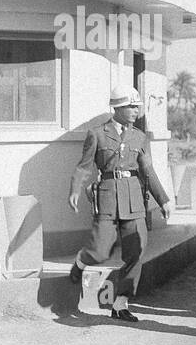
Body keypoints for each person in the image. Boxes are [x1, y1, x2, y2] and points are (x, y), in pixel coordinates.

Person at [68, 85, 172, 320]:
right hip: (106, 198)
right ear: (117, 108)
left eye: (137, 107)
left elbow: (148, 171)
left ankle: (121, 303)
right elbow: (84, 166)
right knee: (100, 251)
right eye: (131, 106)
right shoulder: (97, 134)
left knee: (136, 250)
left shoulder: (140, 137)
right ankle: (81, 262)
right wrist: (75, 190)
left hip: (134, 200)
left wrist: (163, 200)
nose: (136, 111)